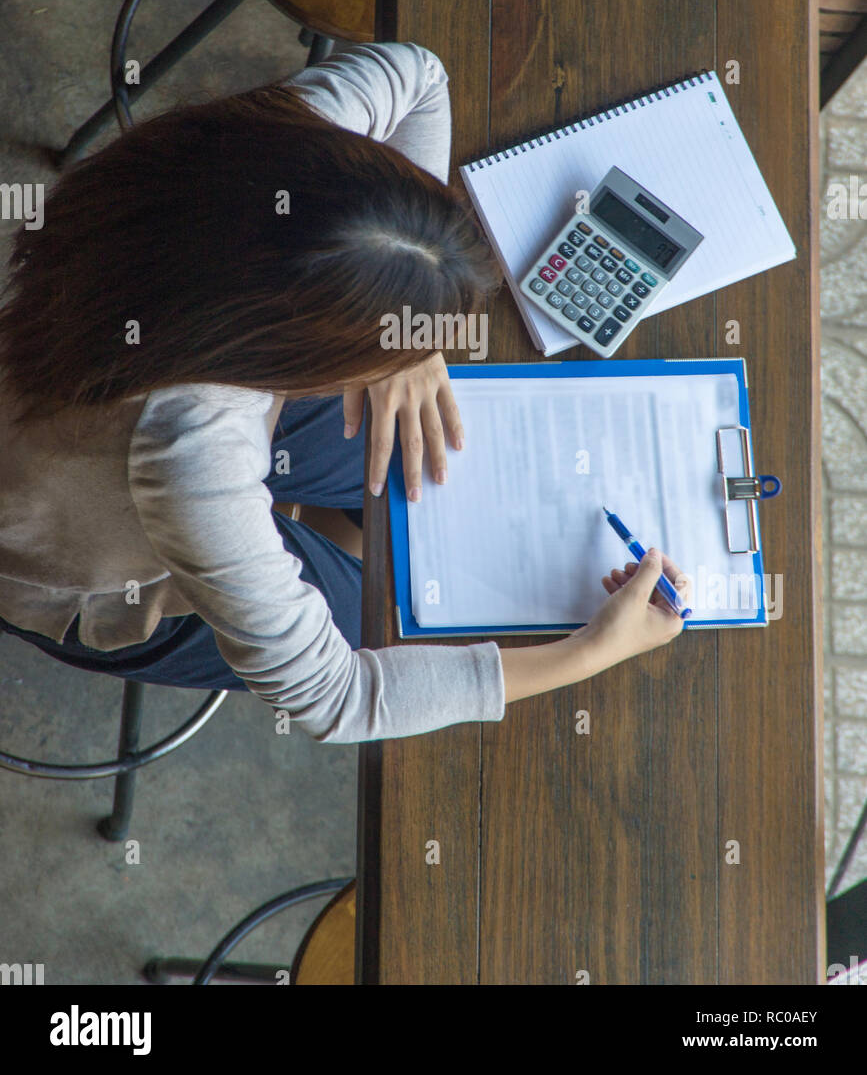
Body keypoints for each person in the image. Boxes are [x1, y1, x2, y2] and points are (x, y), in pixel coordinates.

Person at [0, 41, 686, 744]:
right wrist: (593, 651)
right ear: (295, 350)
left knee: (425, 455)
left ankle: (332, 521)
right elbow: (341, 696)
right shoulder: (193, 453)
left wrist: (400, 311)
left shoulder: (273, 139)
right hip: (94, 561)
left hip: (120, 362)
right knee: (383, 619)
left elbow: (420, 76)